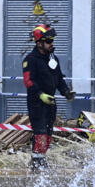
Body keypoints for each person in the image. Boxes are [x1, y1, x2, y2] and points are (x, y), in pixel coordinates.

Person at [23, 23, 75, 171]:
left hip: (50, 102)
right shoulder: (30, 59)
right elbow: (28, 81)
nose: (52, 43)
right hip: (36, 102)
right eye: (48, 41)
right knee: (40, 132)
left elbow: (58, 79)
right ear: (39, 43)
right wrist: (40, 94)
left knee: (48, 133)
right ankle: (37, 162)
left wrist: (66, 92)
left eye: (52, 40)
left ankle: (41, 158)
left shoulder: (53, 59)